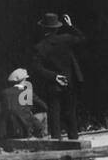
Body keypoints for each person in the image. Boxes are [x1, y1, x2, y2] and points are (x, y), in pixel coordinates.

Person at [32, 12, 86, 140]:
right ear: (57, 27)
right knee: (70, 113)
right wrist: (71, 25)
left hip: (53, 84)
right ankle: (74, 141)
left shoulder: (40, 47)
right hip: (69, 82)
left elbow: (37, 68)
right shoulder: (66, 39)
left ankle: (57, 143)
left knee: (54, 114)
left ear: (43, 28)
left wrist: (54, 77)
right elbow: (82, 38)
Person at [0, 68, 48, 138]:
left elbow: (4, 112)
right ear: (24, 80)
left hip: (10, 129)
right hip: (25, 128)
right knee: (43, 114)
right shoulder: (27, 92)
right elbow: (44, 107)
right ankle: (41, 137)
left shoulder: (5, 93)